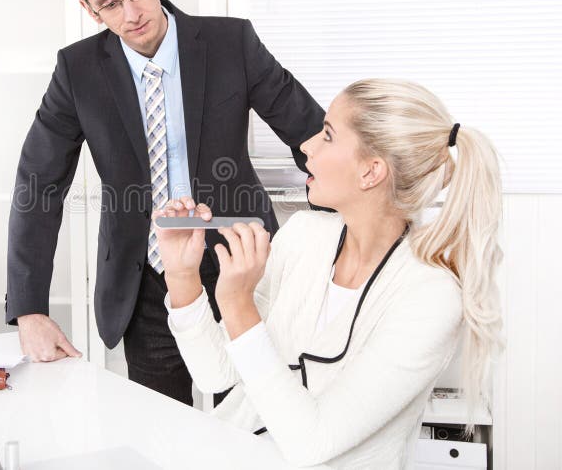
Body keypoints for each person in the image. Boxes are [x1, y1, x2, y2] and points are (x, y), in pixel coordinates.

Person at [5, 0, 325, 406]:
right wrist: (29, 310)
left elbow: (313, 134)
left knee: (252, 427)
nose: (132, 13)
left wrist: (363, 218)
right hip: (147, 284)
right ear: (88, 10)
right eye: (109, 3)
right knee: (163, 437)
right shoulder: (77, 72)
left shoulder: (230, 43)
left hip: (240, 267)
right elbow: (39, 184)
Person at [154, 79, 503, 468]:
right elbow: (214, 376)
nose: (307, 146)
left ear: (371, 171)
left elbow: (313, 444)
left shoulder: (431, 296)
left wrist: (238, 307)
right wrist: (182, 275)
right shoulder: (303, 235)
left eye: (328, 136)